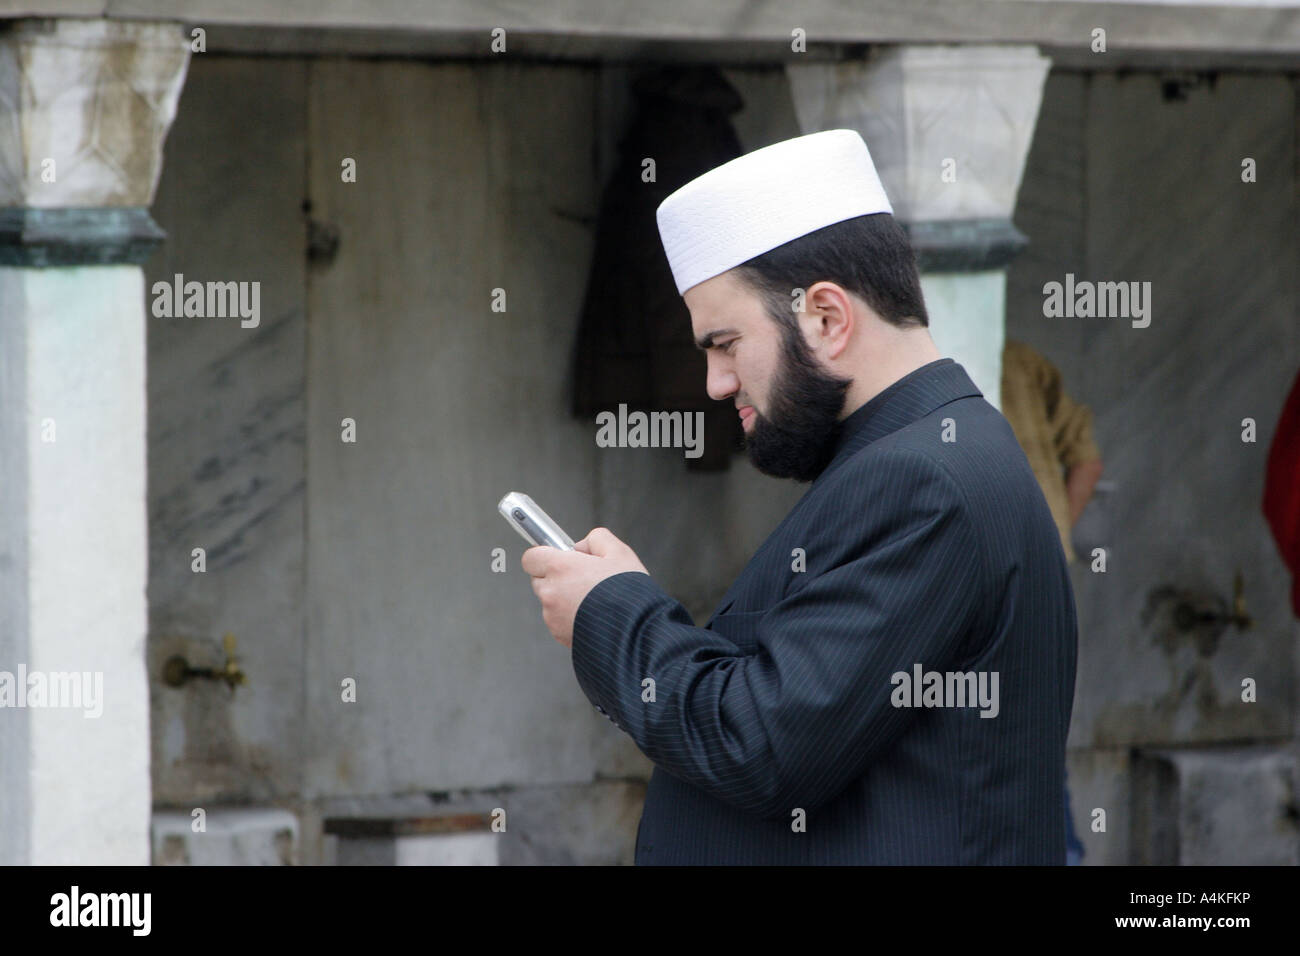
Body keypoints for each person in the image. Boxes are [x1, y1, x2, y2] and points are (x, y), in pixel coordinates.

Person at [521, 129, 1078, 864]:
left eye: (724, 344)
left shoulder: (920, 484)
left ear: (825, 316)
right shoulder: (928, 454)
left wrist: (611, 612)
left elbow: (764, 746)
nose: (717, 384)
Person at [1001, 339, 1104, 866]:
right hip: (1041, 574)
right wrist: (1054, 532)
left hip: (985, 577)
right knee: (1040, 742)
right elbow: (1087, 458)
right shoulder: (1021, 358)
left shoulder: (916, 370)